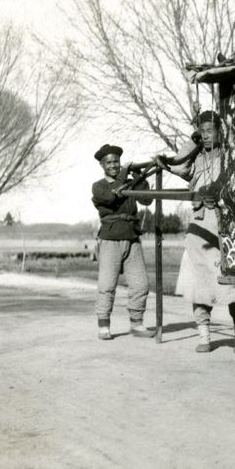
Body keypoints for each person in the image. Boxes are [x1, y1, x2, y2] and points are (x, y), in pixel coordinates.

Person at [159, 111, 235, 354]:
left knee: (233, 282)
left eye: (210, 130)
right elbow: (178, 168)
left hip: (227, 224)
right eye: (203, 131)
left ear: (221, 131)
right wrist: (193, 141)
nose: (206, 136)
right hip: (200, 226)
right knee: (199, 284)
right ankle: (204, 335)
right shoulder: (196, 157)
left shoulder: (233, 155)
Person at [91, 144, 155, 341]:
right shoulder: (99, 186)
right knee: (107, 285)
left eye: (116, 162)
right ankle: (104, 325)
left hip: (132, 238)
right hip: (110, 239)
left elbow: (147, 200)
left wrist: (138, 176)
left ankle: (136, 323)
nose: (113, 165)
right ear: (102, 165)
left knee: (141, 284)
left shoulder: (127, 182)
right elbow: (112, 196)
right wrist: (125, 176)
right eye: (109, 162)